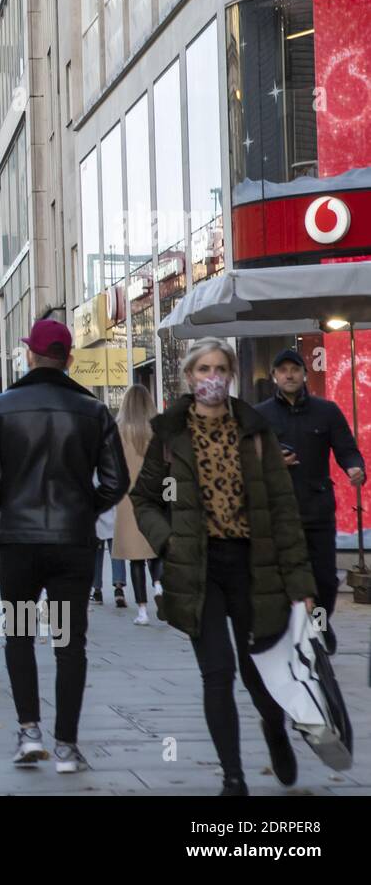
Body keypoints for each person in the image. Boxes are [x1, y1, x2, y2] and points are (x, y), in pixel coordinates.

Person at [131, 337, 316, 796]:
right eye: (203, 370)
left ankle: (275, 728)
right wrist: (168, 539)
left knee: (258, 673)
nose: (212, 378)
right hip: (198, 569)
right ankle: (233, 777)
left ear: (231, 374)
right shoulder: (171, 435)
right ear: (189, 377)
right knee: (217, 673)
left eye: (219, 369)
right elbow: (147, 497)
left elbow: (283, 509)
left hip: (253, 568)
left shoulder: (254, 432)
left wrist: (300, 583)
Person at [0, 318, 128, 773]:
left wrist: (7, 503)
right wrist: (85, 508)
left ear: (30, 356)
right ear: (69, 359)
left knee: (18, 635)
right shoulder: (93, 411)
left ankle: (29, 730)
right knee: (70, 642)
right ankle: (67, 747)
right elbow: (117, 480)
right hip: (73, 543)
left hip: (18, 542)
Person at [254, 348, 364, 654]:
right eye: (283, 370)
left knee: (325, 580)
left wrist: (356, 468)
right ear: (275, 376)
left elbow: (347, 449)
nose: (289, 375)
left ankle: (318, 625)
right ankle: (290, 632)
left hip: (317, 508)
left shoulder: (326, 411)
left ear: (304, 374)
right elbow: (246, 459)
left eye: (295, 369)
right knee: (282, 579)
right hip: (278, 510)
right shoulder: (261, 415)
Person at [112, 385, 162, 626]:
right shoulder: (159, 430)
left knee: (135, 559)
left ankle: (142, 611)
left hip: (127, 501)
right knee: (155, 549)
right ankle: (159, 585)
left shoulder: (118, 432)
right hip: (155, 497)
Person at [92, 504, 124, 607]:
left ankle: (97, 591)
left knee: (97, 556)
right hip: (114, 514)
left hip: (97, 515)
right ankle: (119, 589)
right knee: (117, 553)